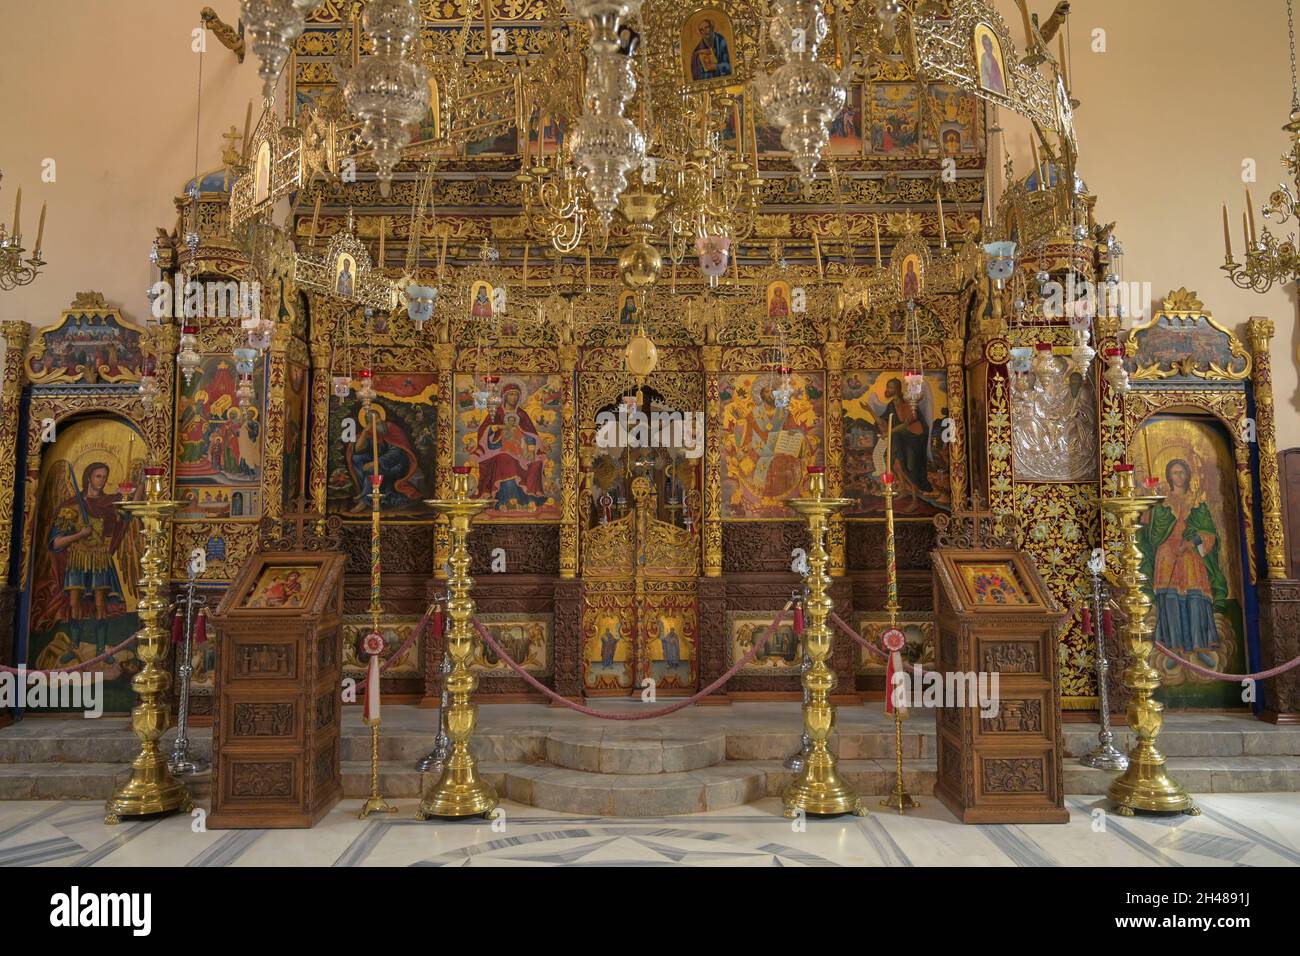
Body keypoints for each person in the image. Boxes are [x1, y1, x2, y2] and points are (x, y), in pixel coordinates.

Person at [1138, 458, 1228, 654]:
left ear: (1188, 475)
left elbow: (1209, 533)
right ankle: (1172, 643)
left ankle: (1198, 643)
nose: (1178, 476)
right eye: (1174, 473)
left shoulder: (1196, 502)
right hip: (1166, 554)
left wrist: (1190, 543)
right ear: (1169, 476)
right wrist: (1148, 501)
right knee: (1169, 594)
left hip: (1190, 551)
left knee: (1194, 589)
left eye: (1181, 472)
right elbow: (1150, 530)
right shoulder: (1161, 501)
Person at [47, 462, 134, 654]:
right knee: (74, 602)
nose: (101, 481)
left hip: (99, 558)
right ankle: (74, 647)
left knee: (100, 603)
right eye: (98, 476)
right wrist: (80, 535)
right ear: (88, 477)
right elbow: (55, 543)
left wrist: (143, 481)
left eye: (104, 477)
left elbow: (130, 512)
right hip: (77, 559)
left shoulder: (111, 504)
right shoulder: (71, 506)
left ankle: (101, 651)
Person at [473, 382, 547, 507]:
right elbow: (484, 430)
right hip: (498, 449)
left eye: (516, 395)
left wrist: (530, 450)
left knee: (537, 462)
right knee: (504, 459)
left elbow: (531, 434)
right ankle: (504, 500)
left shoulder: (522, 414)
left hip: (521, 450)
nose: (514, 398)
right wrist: (501, 427)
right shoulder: (496, 412)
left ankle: (528, 499)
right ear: (505, 396)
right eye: (511, 394)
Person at [350, 406, 422, 511]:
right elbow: (357, 450)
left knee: (372, 470)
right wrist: (365, 432)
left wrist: (376, 463)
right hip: (379, 463)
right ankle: (369, 494)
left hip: (397, 465)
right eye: (374, 421)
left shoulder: (392, 429)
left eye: (378, 419)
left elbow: (395, 454)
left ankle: (365, 499)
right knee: (357, 458)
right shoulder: (370, 432)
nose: (378, 422)